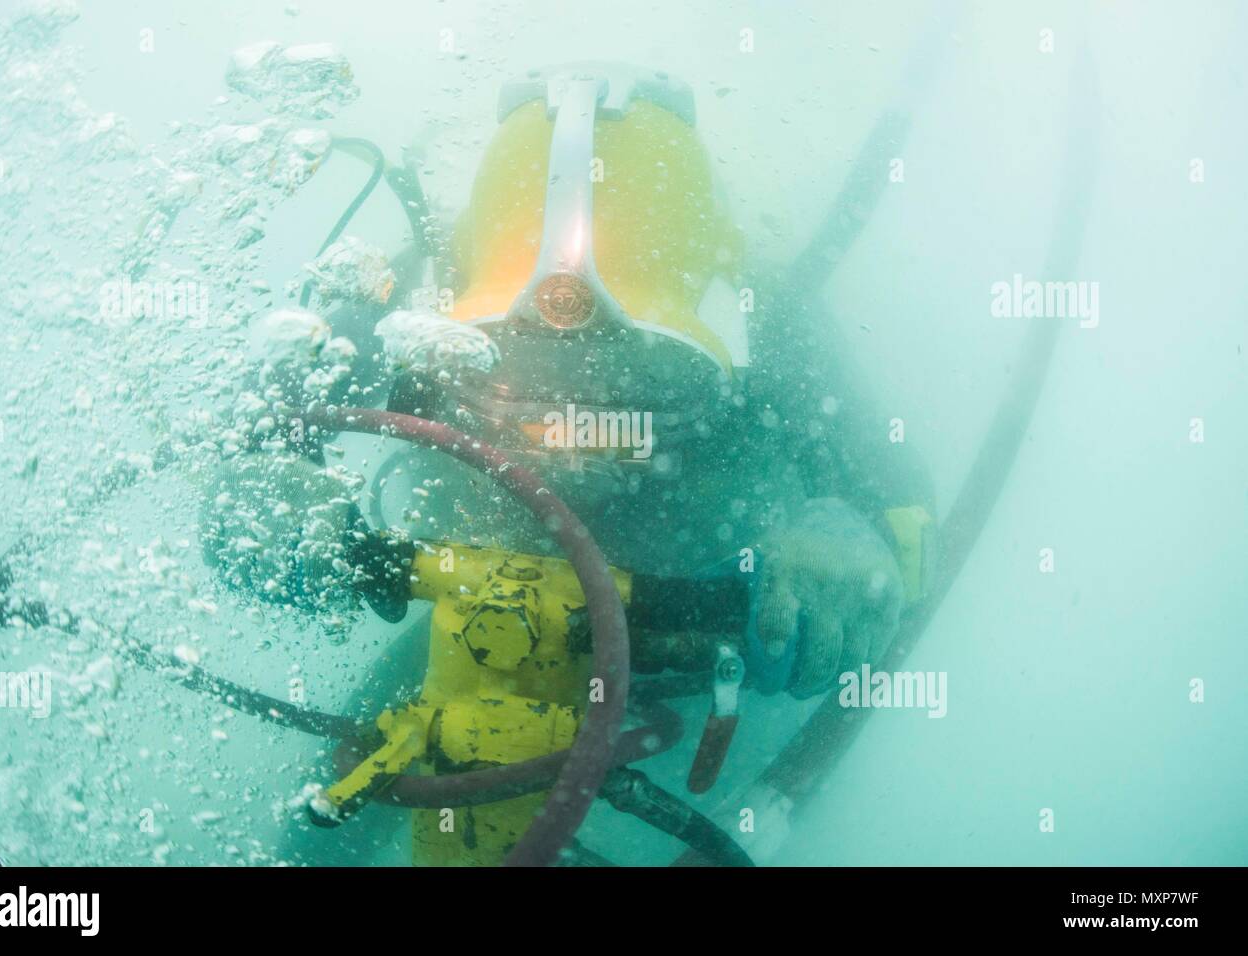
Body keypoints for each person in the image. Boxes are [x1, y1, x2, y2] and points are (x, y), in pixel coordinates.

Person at [201, 62, 935, 752]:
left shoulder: (767, 323)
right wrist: (268, 497)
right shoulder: (412, 300)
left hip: (711, 641)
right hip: (479, 615)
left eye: (639, 374)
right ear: (457, 304)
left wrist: (849, 559)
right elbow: (260, 427)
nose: (576, 435)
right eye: (526, 366)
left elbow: (898, 513)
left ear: (717, 321)